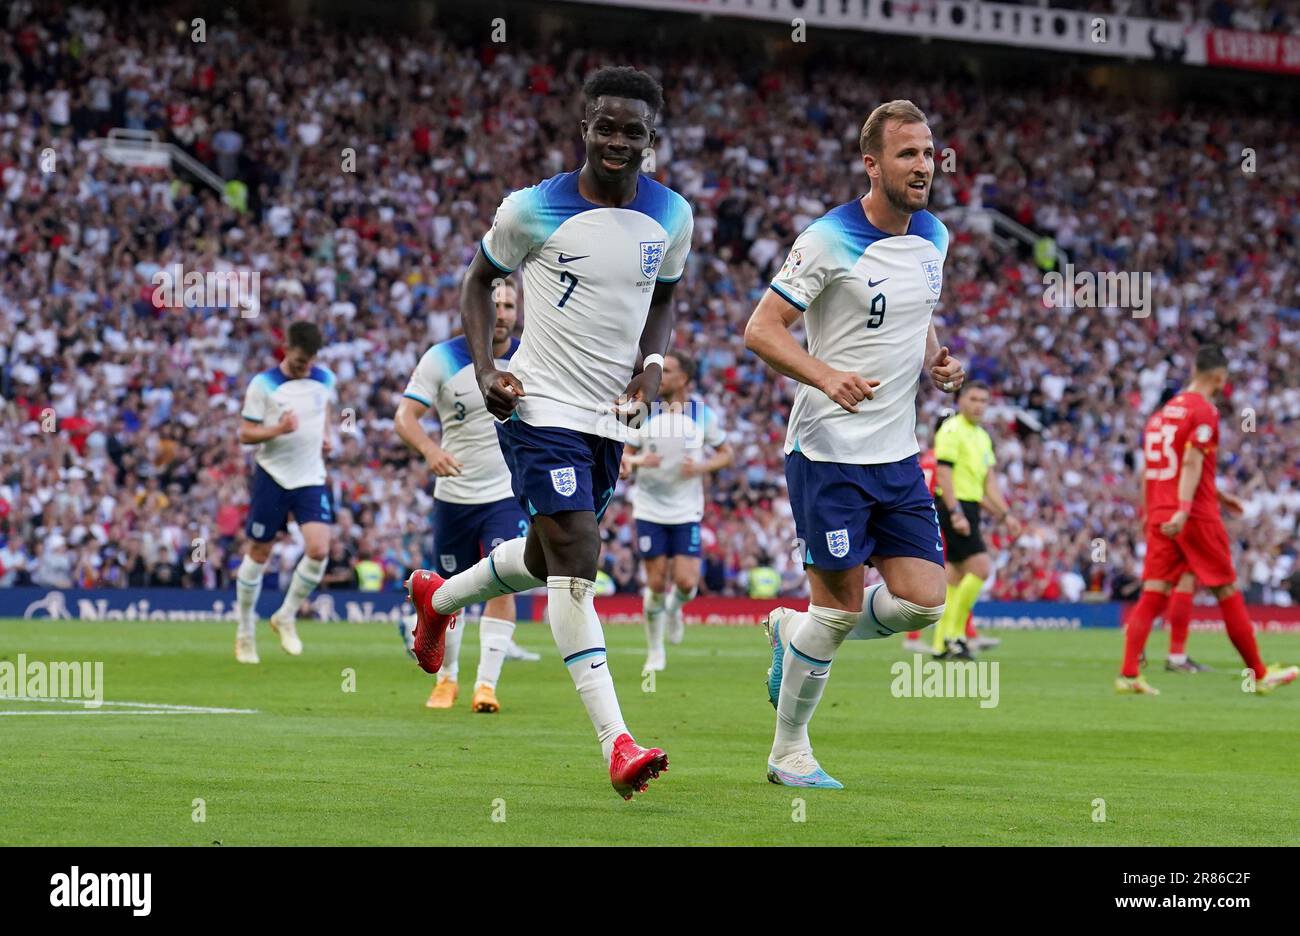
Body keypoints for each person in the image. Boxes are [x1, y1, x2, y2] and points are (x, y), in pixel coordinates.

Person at [404, 66, 694, 799]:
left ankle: (437, 601)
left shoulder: (674, 216)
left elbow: (664, 298)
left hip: (608, 422)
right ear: (584, 125)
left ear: (652, 138)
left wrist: (651, 371)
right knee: (577, 559)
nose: (617, 140)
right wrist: (486, 368)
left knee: (542, 556)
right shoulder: (532, 209)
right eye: (606, 125)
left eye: (633, 130)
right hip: (537, 409)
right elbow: (477, 281)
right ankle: (616, 742)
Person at [744, 99, 965, 788]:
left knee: (925, 600)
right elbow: (762, 329)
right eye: (907, 154)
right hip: (828, 450)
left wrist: (936, 362)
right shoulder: (827, 239)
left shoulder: (936, 236)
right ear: (872, 165)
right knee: (836, 612)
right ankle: (789, 753)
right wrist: (825, 374)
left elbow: (916, 312)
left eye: (928, 153)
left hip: (896, 453)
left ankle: (792, 630)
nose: (923, 166)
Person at [1117, 344, 1297, 695]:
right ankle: (1259, 674)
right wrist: (1186, 508)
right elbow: (1189, 463)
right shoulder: (1204, 411)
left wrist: (1152, 510)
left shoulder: (1161, 414)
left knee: (1154, 592)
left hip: (1160, 509)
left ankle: (1128, 674)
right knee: (1227, 590)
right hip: (1192, 516)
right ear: (1217, 376)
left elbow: (1153, 471)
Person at [394, 281, 530, 713]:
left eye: (510, 305)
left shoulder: (533, 354)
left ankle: (485, 686)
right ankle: (447, 680)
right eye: (495, 305)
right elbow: (405, 416)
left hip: (506, 493)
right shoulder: (442, 358)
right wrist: (430, 449)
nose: (504, 312)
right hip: (454, 495)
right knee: (449, 590)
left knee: (503, 584)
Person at [619, 351, 733, 672]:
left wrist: (702, 466)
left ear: (684, 378)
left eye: (667, 371)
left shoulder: (702, 415)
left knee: (685, 583)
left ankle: (674, 609)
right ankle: (655, 651)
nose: (660, 376)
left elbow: (726, 453)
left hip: (686, 511)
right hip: (650, 509)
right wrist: (639, 462)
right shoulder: (643, 413)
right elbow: (624, 460)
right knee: (655, 584)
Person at [234, 321, 336, 664]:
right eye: (297, 361)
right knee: (260, 553)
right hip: (273, 476)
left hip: (310, 476)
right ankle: (245, 630)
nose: (302, 367)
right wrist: (279, 428)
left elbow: (324, 411)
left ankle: (286, 615)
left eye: (308, 361)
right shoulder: (263, 385)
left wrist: (326, 435)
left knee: (319, 549)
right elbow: (245, 434)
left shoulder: (324, 379)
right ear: (285, 348)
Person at [929, 381, 1020, 658]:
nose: (979, 405)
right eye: (974, 399)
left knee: (955, 576)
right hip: (952, 505)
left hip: (971, 507)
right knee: (981, 568)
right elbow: (943, 473)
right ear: (960, 401)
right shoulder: (951, 430)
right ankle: (955, 636)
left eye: (984, 400)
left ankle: (940, 642)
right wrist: (955, 512)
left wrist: (1005, 515)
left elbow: (988, 483)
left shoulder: (981, 436)